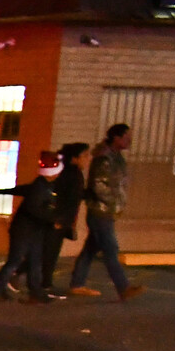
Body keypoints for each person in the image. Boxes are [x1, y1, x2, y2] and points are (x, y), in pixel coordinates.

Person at [70, 123, 142, 301]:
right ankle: (123, 287)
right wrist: (112, 201)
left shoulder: (115, 157)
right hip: (100, 211)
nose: (129, 140)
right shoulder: (104, 158)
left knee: (90, 249)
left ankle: (77, 283)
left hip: (105, 210)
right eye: (126, 137)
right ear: (116, 138)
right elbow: (99, 186)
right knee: (110, 249)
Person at [0, 150, 64, 303]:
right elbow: (34, 208)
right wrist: (52, 219)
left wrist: (2, 192)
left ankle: (35, 293)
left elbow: (23, 191)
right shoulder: (41, 187)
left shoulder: (44, 185)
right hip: (24, 231)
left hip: (33, 231)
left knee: (35, 261)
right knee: (15, 261)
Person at [43, 142, 90, 297]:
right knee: (49, 251)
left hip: (62, 219)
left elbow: (75, 195)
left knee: (49, 251)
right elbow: (67, 198)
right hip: (58, 219)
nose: (87, 159)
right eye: (84, 155)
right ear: (75, 158)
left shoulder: (72, 173)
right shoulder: (70, 174)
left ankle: (43, 283)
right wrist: (60, 219)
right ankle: (43, 284)